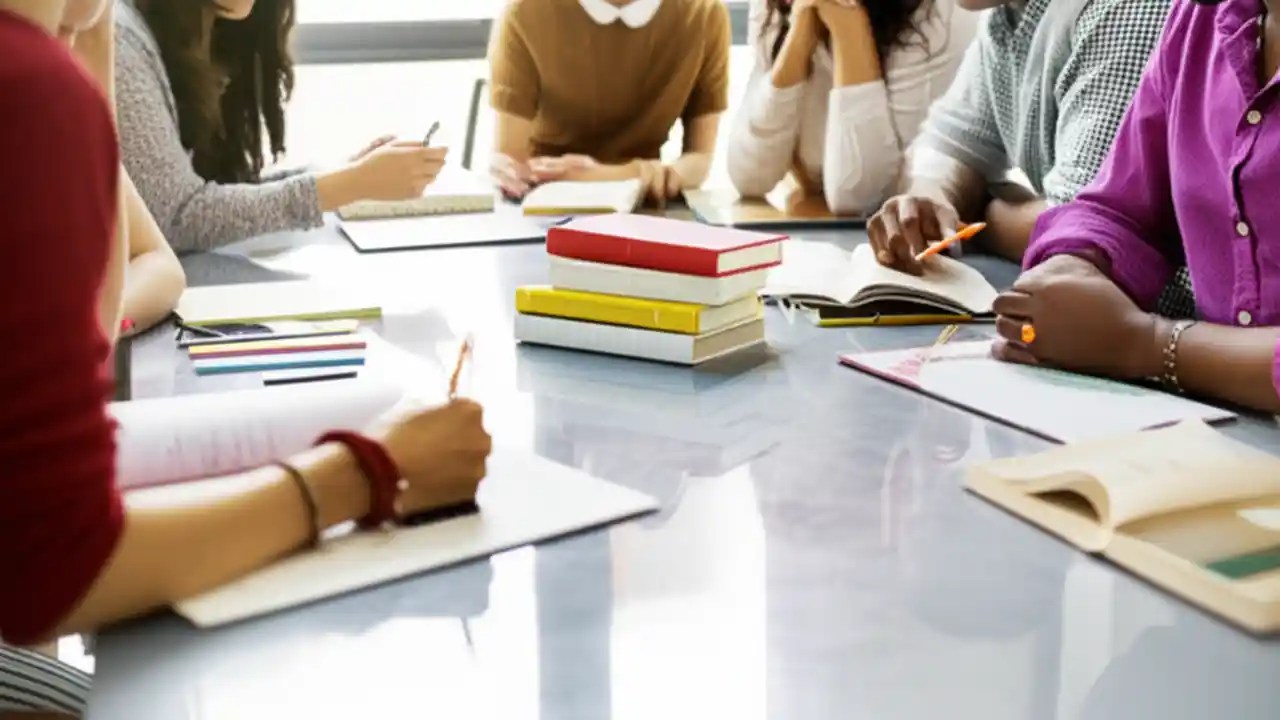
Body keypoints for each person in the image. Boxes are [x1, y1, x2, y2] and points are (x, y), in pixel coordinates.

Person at [0, 0, 491, 702]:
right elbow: (56, 567)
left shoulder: (50, 65)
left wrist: (86, 39)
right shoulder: (26, 85)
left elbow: (96, 313)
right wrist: (367, 469)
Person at [991, 0, 1280, 414]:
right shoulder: (1199, 17)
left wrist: (1150, 344)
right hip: (1218, 433)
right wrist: (1074, 265)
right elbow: (1121, 209)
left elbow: (1141, 343)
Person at [115, 0, 448, 253]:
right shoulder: (122, 42)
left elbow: (215, 191)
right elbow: (177, 218)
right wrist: (347, 185)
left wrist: (349, 174)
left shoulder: (200, 29)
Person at [865, 0, 1172, 273]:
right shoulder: (1005, 12)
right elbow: (949, 145)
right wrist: (931, 197)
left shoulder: (1125, 8)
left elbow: (1084, 229)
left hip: (1174, 320)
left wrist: (980, 217)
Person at [727, 0, 980, 216]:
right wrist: (802, 29)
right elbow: (749, 176)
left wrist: (847, 24)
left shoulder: (939, 14)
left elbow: (861, 196)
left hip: (907, 241)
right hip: (817, 233)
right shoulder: (777, 7)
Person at [487, 0, 731, 204]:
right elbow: (512, 162)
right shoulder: (526, 11)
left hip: (644, 210)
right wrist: (506, 170)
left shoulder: (703, 13)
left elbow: (699, 158)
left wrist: (602, 176)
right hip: (545, 205)